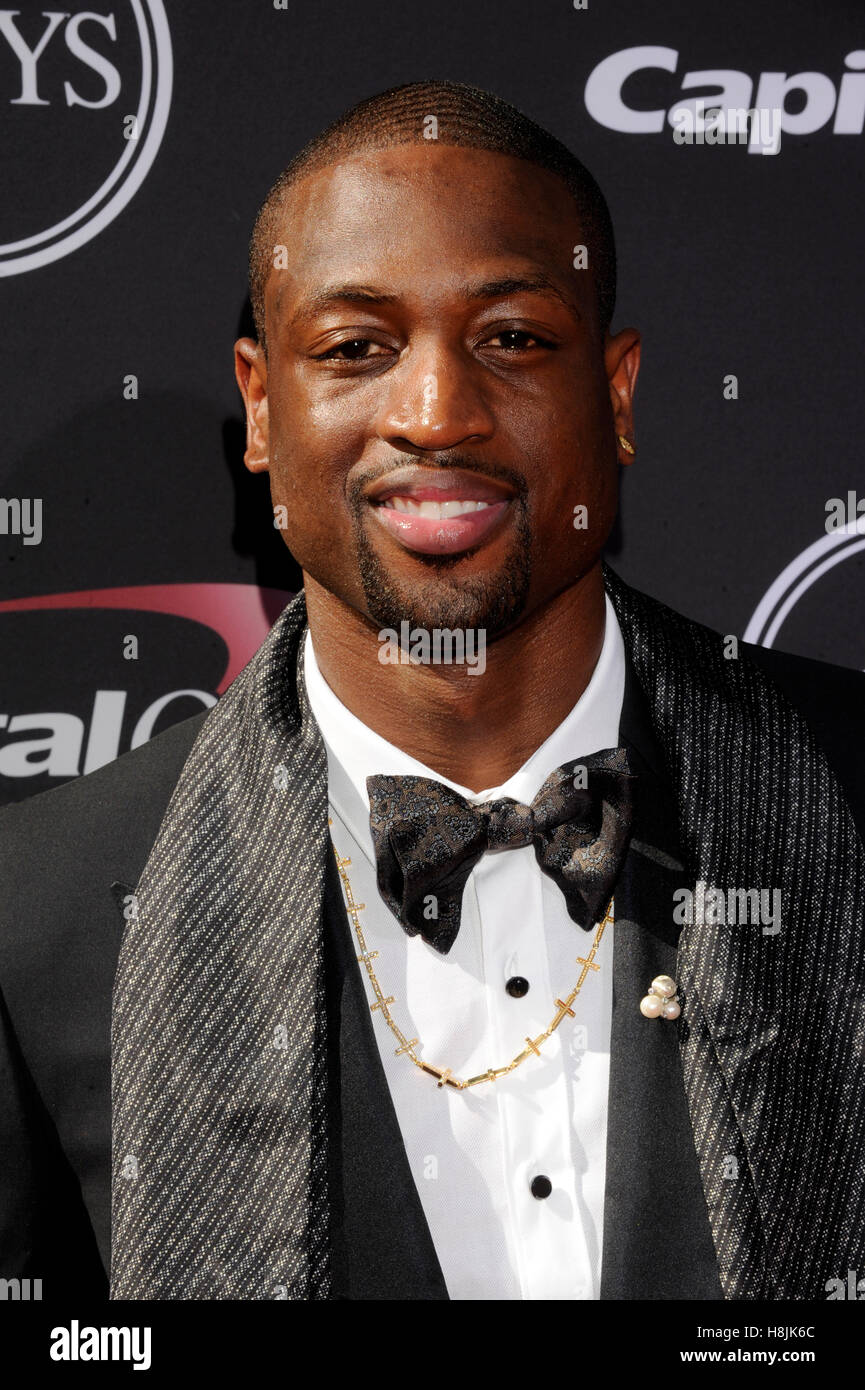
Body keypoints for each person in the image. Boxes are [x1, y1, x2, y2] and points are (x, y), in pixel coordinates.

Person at [1, 80, 863, 1303]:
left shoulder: (842, 794)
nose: (436, 413)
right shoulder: (41, 915)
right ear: (260, 406)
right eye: (355, 348)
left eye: (510, 338)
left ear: (614, 394)